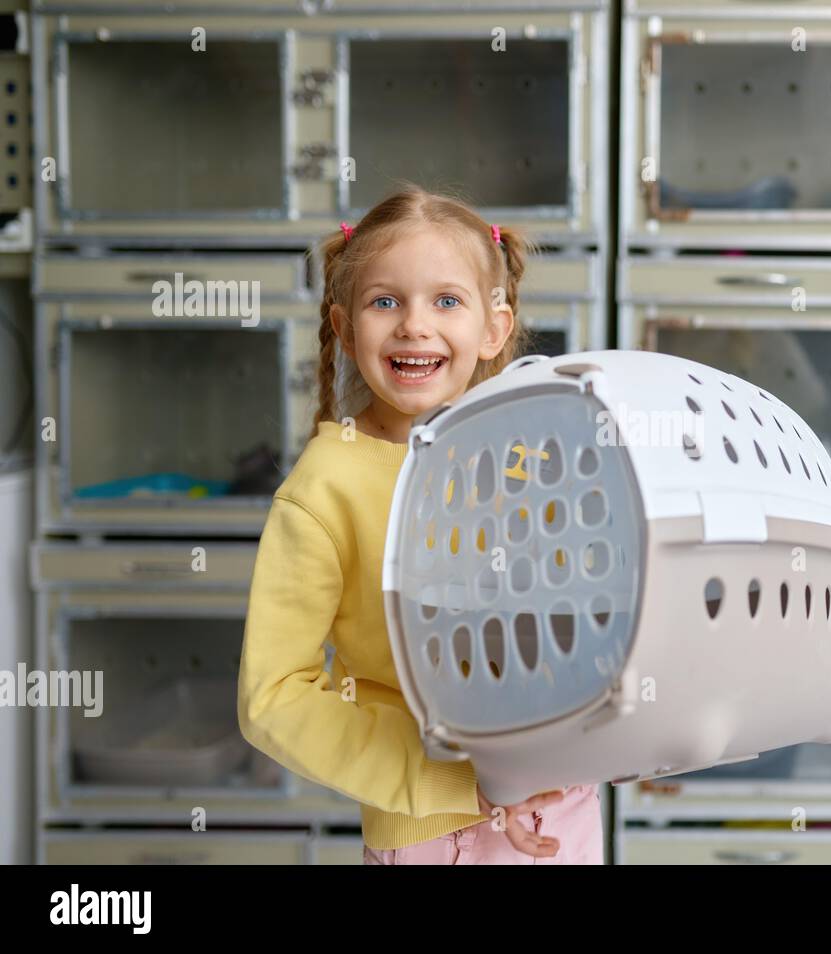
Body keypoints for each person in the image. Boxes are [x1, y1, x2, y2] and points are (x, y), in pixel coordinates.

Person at [237, 186, 603, 864]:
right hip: (436, 834)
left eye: (447, 300)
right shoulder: (325, 488)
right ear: (344, 328)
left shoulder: (543, 458)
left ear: (494, 327)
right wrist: (458, 780)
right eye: (385, 302)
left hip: (561, 812)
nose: (414, 325)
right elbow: (273, 697)